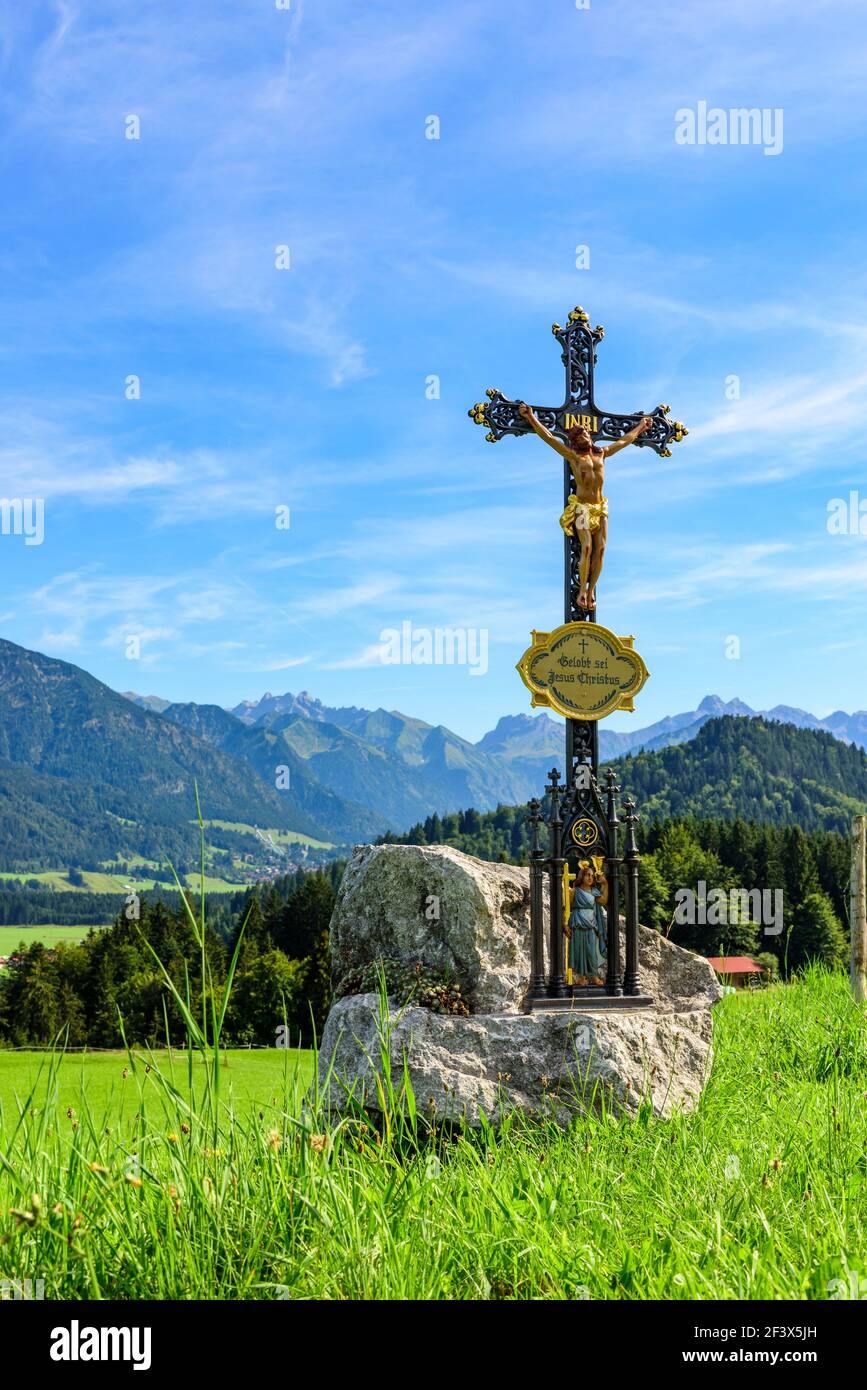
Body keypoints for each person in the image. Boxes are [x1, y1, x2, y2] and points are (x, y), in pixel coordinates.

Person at [518, 404, 652, 609]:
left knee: (601, 550)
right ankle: (581, 591)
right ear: (575, 441)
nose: (583, 437)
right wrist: (531, 418)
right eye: (579, 437)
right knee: (587, 547)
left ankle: (591, 592)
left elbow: (625, 440)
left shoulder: (603, 453)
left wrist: (641, 427)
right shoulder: (573, 456)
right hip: (582, 507)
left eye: (585, 434)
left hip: (600, 507)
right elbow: (549, 438)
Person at [566, 863, 608, 986]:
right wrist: (565, 925)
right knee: (579, 951)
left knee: (591, 951)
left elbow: (604, 900)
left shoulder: (593, 891)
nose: (590, 878)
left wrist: (605, 884)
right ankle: (582, 977)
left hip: (591, 925)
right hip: (577, 923)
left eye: (592, 876)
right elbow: (566, 909)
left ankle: (593, 976)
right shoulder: (574, 891)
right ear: (581, 877)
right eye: (587, 875)